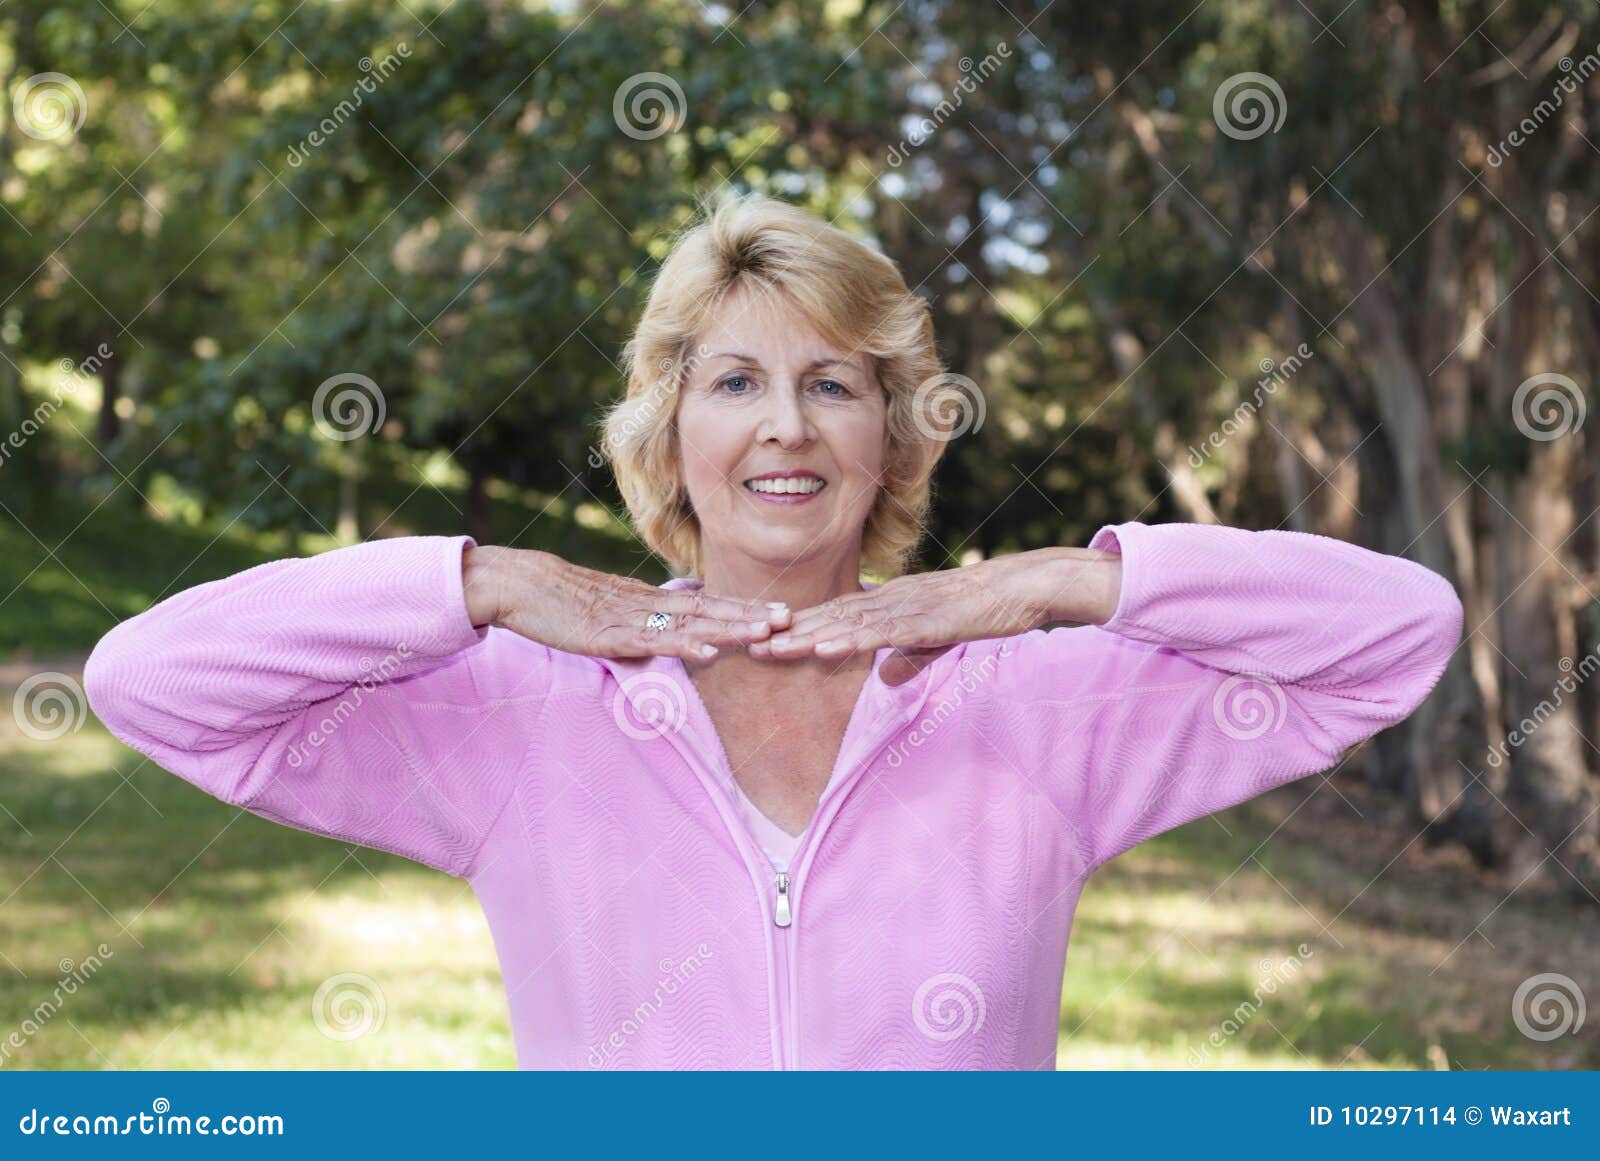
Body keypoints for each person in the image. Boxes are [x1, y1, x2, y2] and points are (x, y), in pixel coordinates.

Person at [83, 190, 1464, 1069]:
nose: (785, 425)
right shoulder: (527, 704)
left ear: (891, 436)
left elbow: (1400, 632)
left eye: (833, 384)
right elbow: (148, 679)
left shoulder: (1032, 700)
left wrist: (1060, 582)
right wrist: (480, 580)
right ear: (671, 434)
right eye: (735, 379)